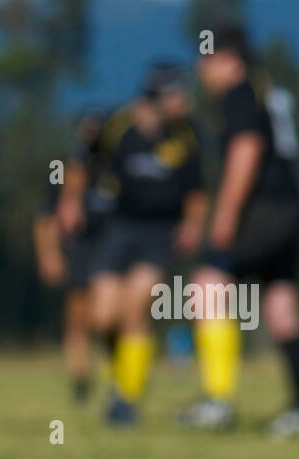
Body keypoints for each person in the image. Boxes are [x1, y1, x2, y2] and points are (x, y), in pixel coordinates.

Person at [179, 20, 299, 438]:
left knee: (206, 287)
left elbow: (246, 151)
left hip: (263, 209)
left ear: (228, 59)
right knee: (280, 301)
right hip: (291, 206)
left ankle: (218, 401)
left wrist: (226, 213)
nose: (201, 69)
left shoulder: (239, 94)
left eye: (206, 58)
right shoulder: (267, 88)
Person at [61, 69, 205, 426]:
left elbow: (197, 191)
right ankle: (120, 374)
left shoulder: (187, 137)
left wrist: (192, 225)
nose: (185, 102)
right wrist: (70, 201)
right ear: (157, 97)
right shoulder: (118, 125)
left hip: (159, 233)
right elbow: (81, 162)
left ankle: (127, 399)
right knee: (102, 316)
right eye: (178, 95)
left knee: (136, 309)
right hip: (119, 228)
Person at [35, 110, 109, 406]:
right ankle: (80, 379)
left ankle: (117, 381)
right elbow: (45, 216)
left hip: (113, 249)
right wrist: (49, 255)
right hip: (80, 250)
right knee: (78, 319)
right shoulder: (64, 170)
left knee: (106, 317)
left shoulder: (118, 168)